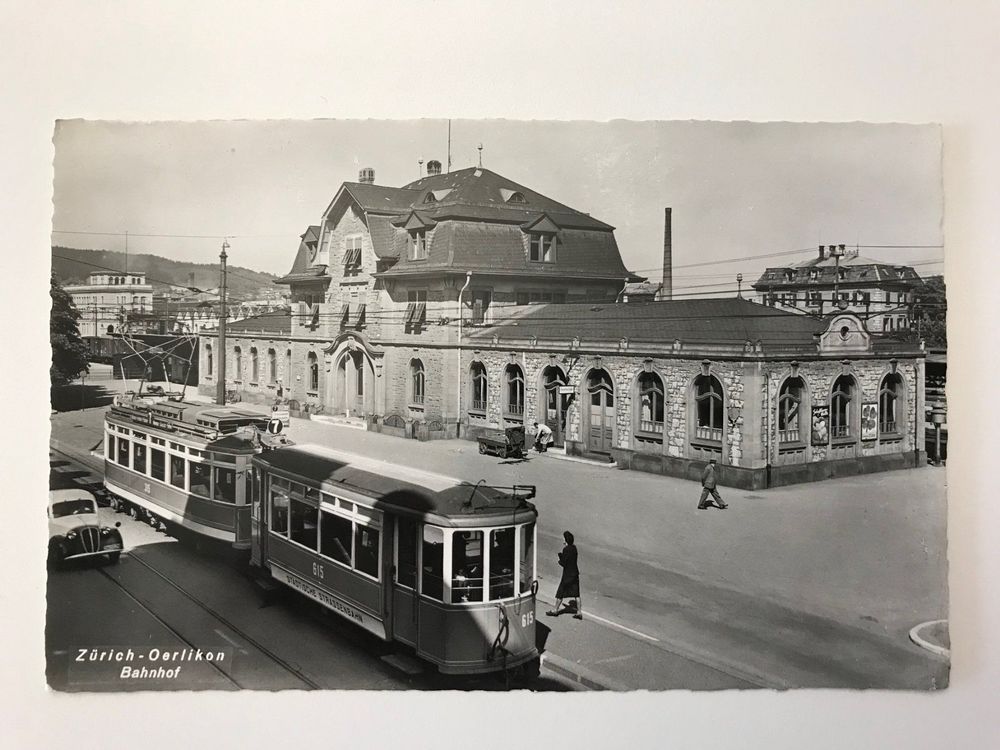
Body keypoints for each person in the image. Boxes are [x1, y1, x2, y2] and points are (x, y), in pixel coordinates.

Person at [547, 531, 582, 619]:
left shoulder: (566, 549)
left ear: (566, 540)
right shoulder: (574, 548)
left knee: (560, 592)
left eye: (563, 538)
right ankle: (579, 612)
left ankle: (555, 610)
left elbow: (564, 563)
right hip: (575, 574)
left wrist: (560, 557)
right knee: (576, 594)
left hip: (567, 575)